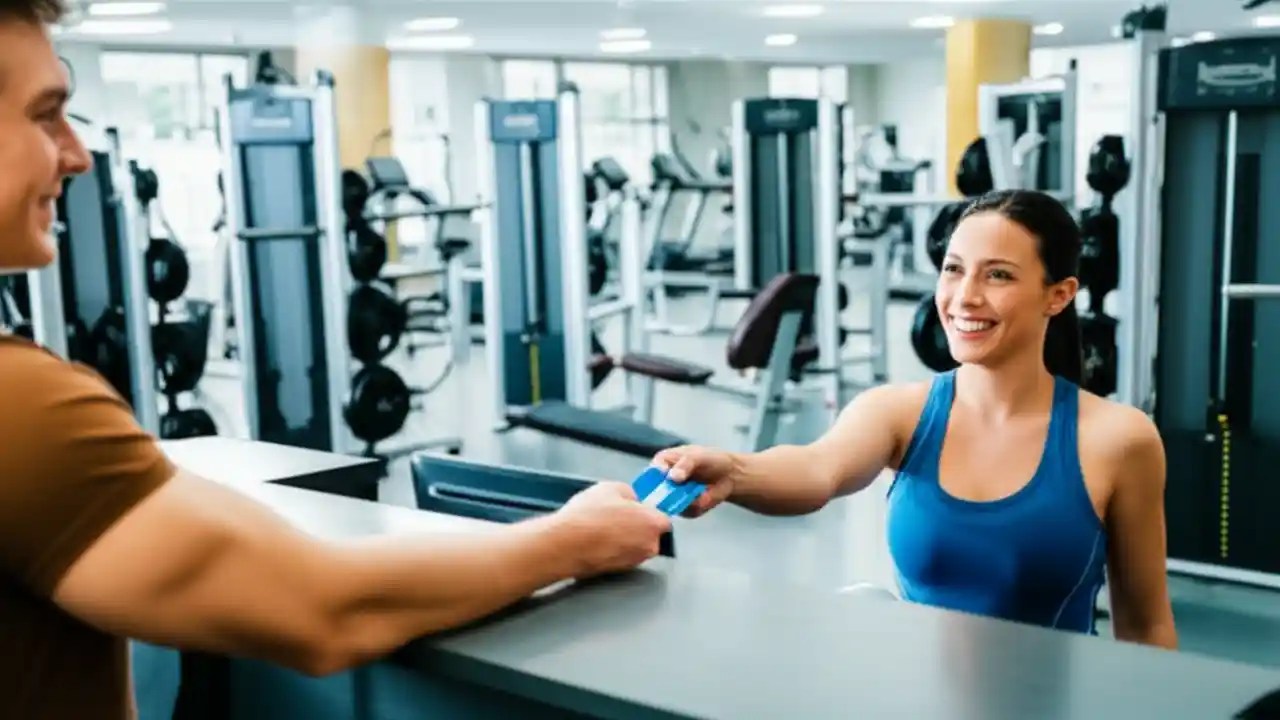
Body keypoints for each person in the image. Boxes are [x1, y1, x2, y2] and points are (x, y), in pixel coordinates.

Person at [0, 3, 672, 717]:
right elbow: (325, 607)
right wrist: (574, 540)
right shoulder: (22, 404)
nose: (77, 154)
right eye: (45, 116)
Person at [654, 189, 1179, 649]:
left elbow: (1146, 627)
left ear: (1058, 295)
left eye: (997, 274)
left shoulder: (1117, 439)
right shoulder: (899, 412)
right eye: (954, 269)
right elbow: (817, 469)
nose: (964, 297)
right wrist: (734, 471)